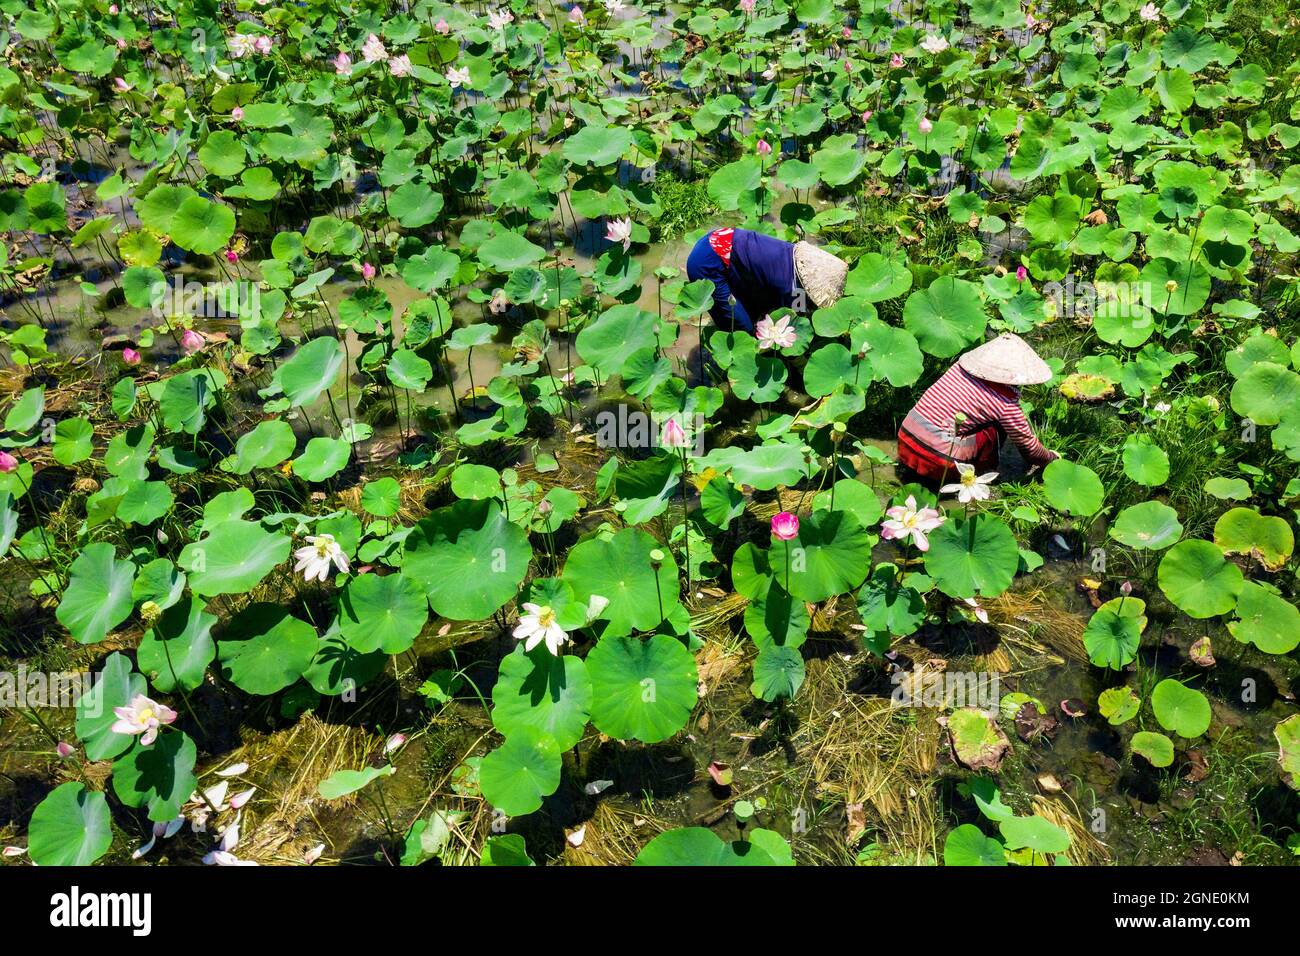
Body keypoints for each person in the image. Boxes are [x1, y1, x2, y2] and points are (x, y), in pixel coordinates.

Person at [897, 332, 1059, 487]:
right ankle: (980, 470)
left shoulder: (958, 369)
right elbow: (1028, 447)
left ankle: (915, 469)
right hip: (939, 461)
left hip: (905, 437)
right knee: (995, 429)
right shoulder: (1005, 402)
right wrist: (1050, 458)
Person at [685, 227, 848, 333]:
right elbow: (793, 321)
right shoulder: (790, 287)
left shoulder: (792, 252)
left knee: (757, 310)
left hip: (719, 238)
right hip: (706, 264)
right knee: (743, 329)